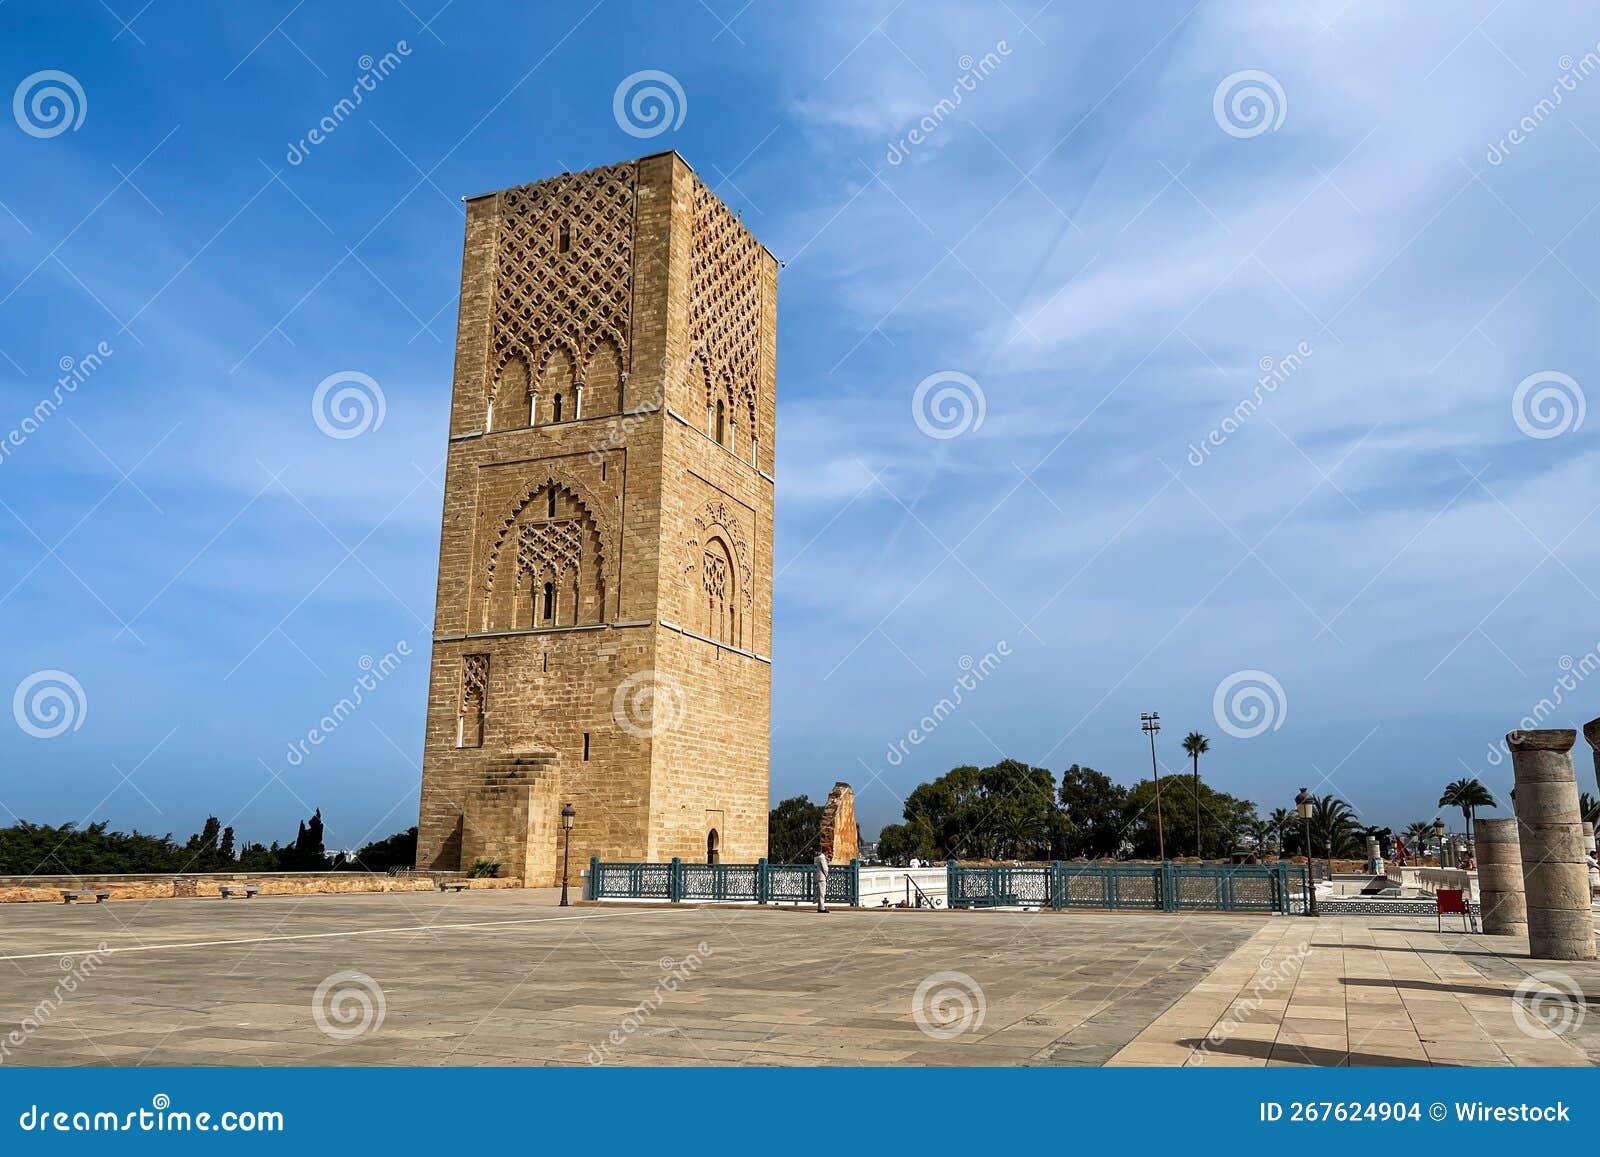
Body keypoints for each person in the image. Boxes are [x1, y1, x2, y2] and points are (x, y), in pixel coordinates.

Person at [814, 846, 830, 913]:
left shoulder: (820, 857)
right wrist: (827, 875)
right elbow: (825, 868)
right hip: (822, 877)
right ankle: (821, 908)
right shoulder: (822, 857)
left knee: (821, 893)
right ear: (825, 851)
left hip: (820, 876)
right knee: (822, 893)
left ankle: (820, 907)